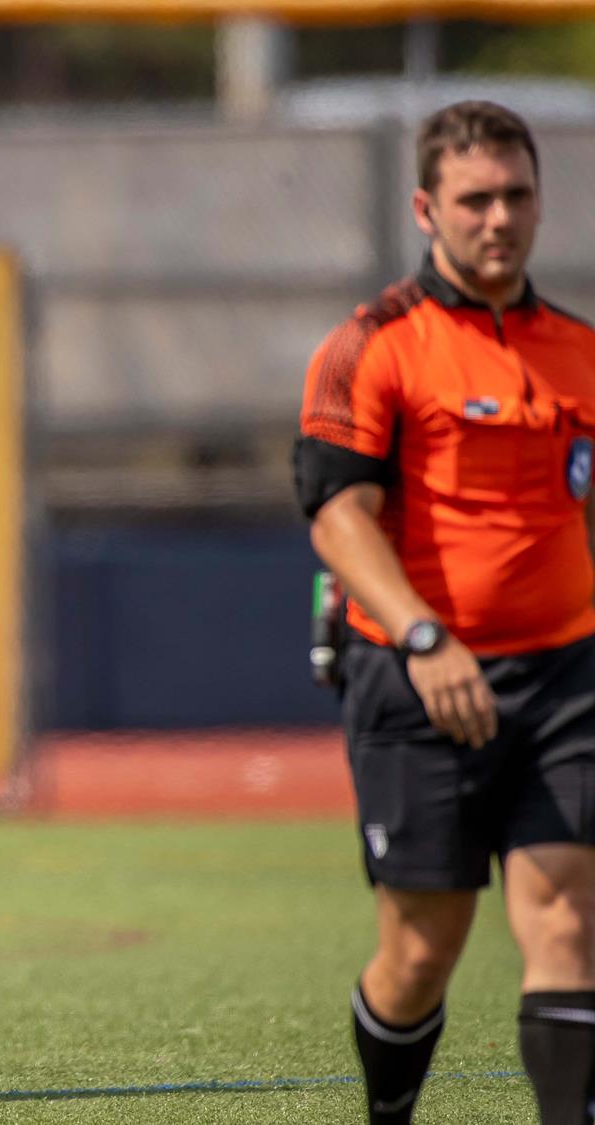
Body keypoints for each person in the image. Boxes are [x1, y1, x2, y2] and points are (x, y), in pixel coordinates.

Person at [298, 100, 595, 1125]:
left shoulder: (576, 350)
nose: (497, 218)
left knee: (564, 915)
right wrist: (424, 638)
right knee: (420, 950)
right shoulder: (370, 347)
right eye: (474, 199)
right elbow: (337, 521)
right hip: (414, 675)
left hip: (563, 676)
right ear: (427, 208)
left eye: (515, 196)